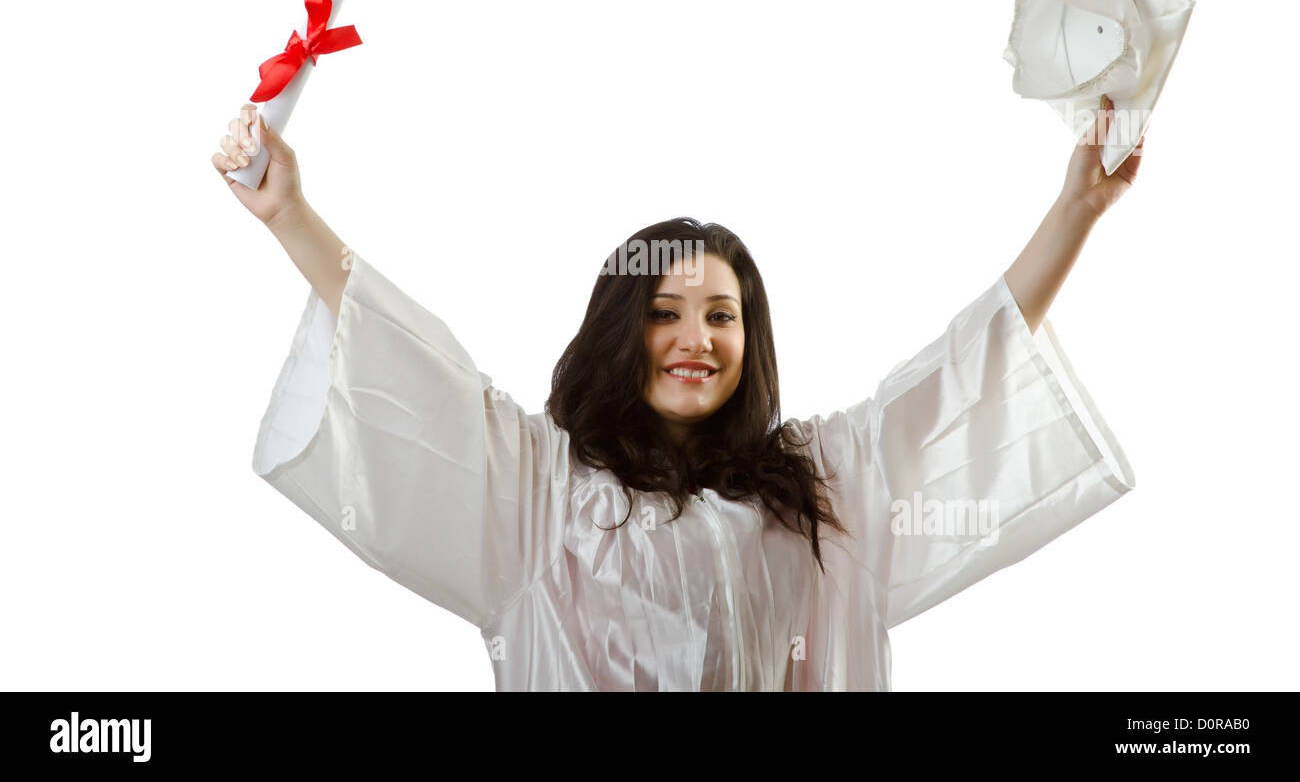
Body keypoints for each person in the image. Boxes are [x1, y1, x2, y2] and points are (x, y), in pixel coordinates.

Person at [213, 96, 1142, 690]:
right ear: (625, 331)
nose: (697, 340)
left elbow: (956, 375)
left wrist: (1076, 211)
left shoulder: (817, 489)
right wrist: (290, 213)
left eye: (722, 317)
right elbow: (418, 369)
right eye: (666, 312)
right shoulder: (543, 493)